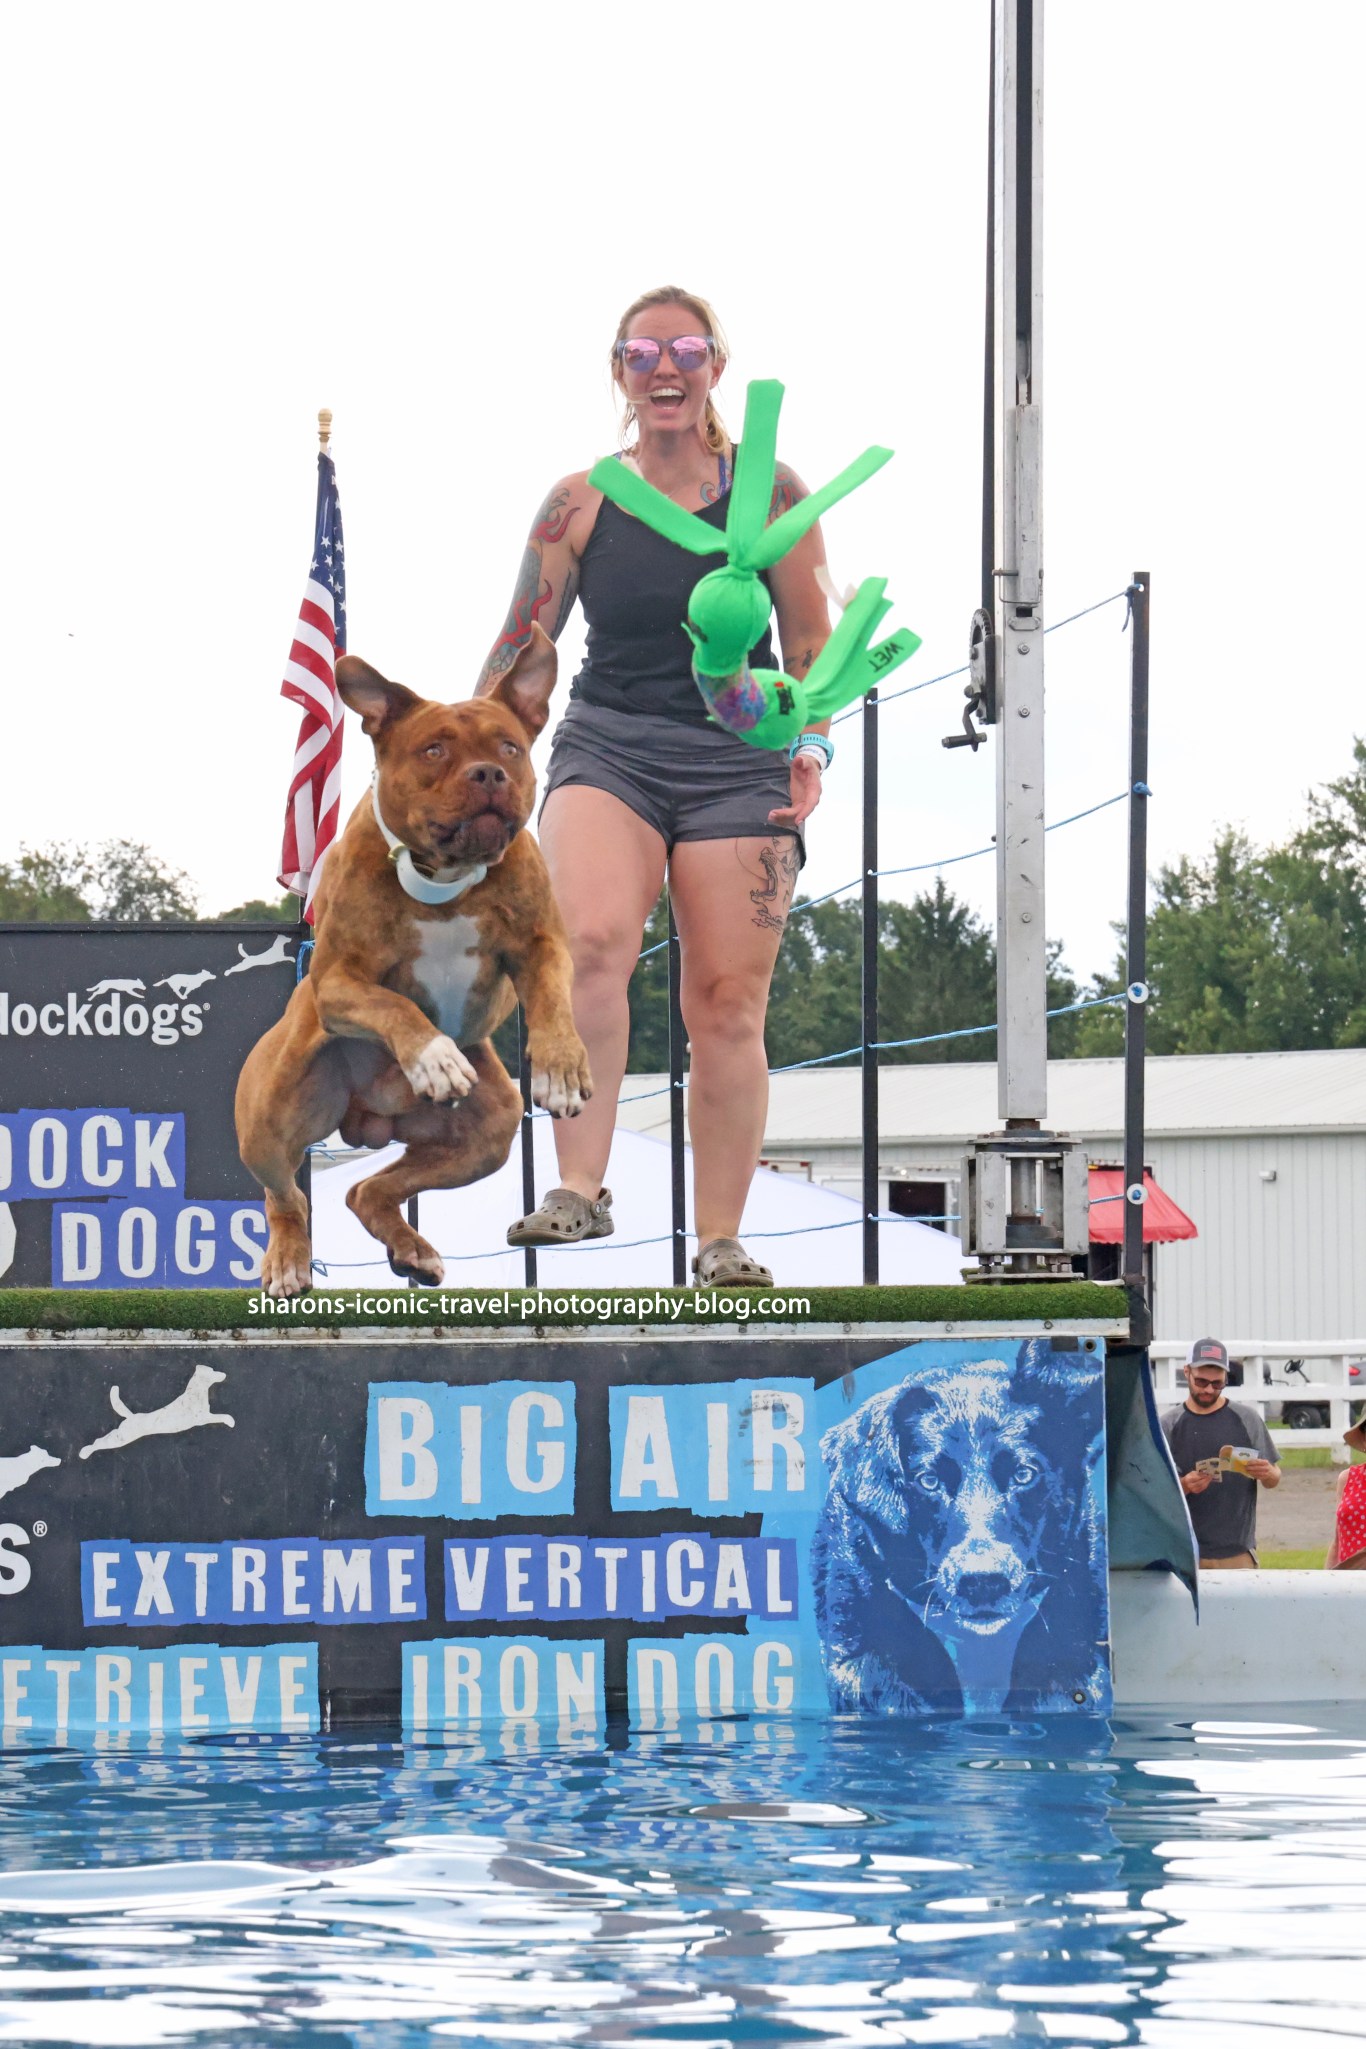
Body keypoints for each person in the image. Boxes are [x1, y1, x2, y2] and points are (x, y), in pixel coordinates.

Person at [476, 286, 834, 1286]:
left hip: (736, 756)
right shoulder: (579, 501)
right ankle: (578, 1187)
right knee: (588, 943)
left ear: (715, 365)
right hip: (611, 745)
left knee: (725, 1000)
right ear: (620, 373)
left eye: (685, 350)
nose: (664, 369)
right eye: (642, 354)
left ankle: (718, 1238)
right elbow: (518, 640)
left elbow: (812, 640)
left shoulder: (768, 491)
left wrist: (813, 746)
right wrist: (466, 760)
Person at [1160, 1336, 1281, 1568]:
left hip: (1238, 1552)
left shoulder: (1247, 1419)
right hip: (1186, 1552)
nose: (1208, 1389)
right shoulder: (1168, 1425)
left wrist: (1266, 1473)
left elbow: (1274, 1478)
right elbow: (1156, 1493)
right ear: (1187, 1372)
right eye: (1201, 1381)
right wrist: (1184, 1485)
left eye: (1217, 1384)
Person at [1324, 1412, 1366, 1570]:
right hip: (1348, 1583)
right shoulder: (1348, 1478)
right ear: (1363, 1439)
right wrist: (1325, 1584)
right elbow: (1337, 1541)